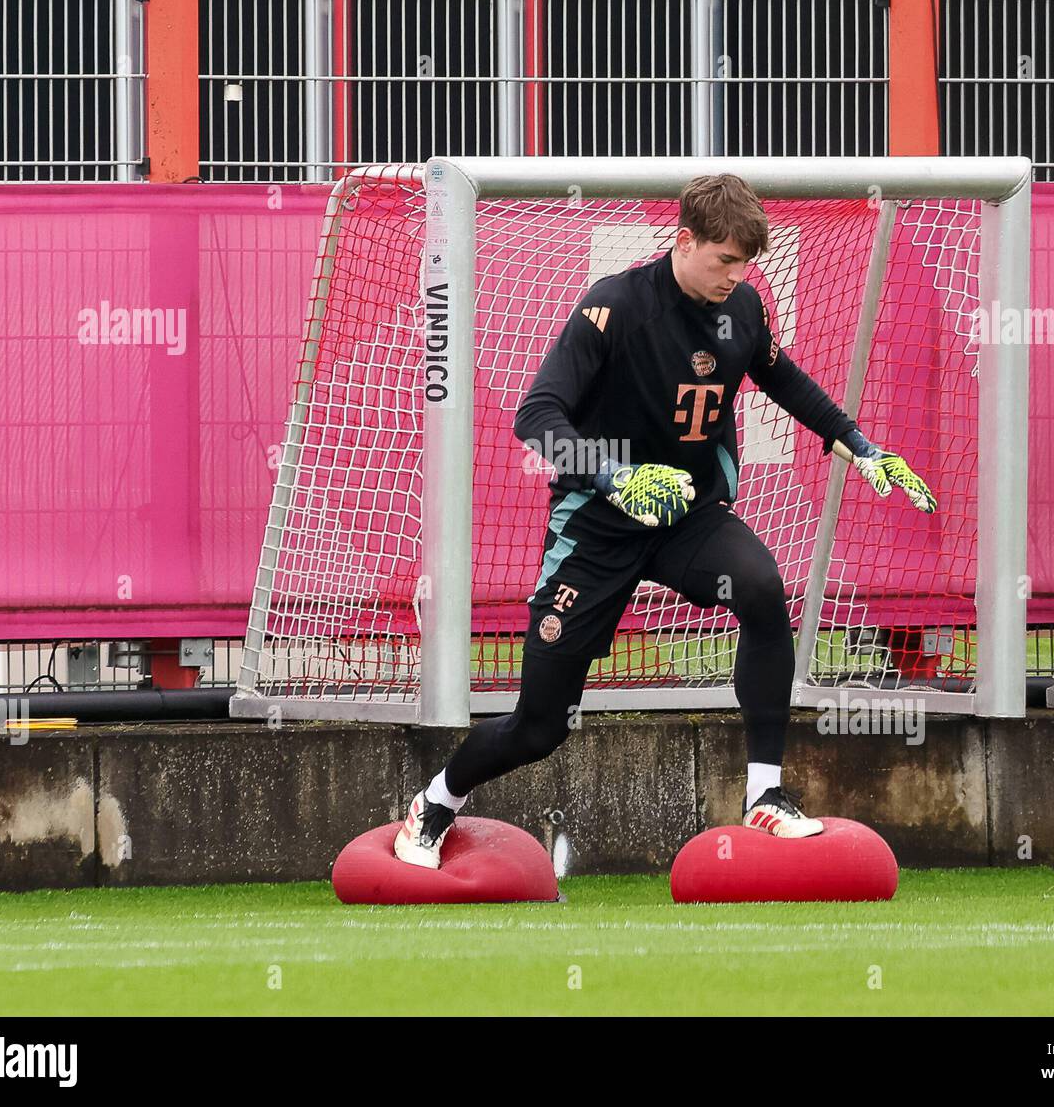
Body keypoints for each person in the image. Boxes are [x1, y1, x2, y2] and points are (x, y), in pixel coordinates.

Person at [395, 173, 936, 869]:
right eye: (726, 260)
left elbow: (783, 378)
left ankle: (765, 795)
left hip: (686, 516)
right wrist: (618, 474)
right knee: (539, 726)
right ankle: (437, 800)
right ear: (684, 241)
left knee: (763, 589)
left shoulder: (741, 310)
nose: (737, 277)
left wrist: (859, 445)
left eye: (747, 263)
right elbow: (537, 416)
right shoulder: (615, 306)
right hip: (597, 525)